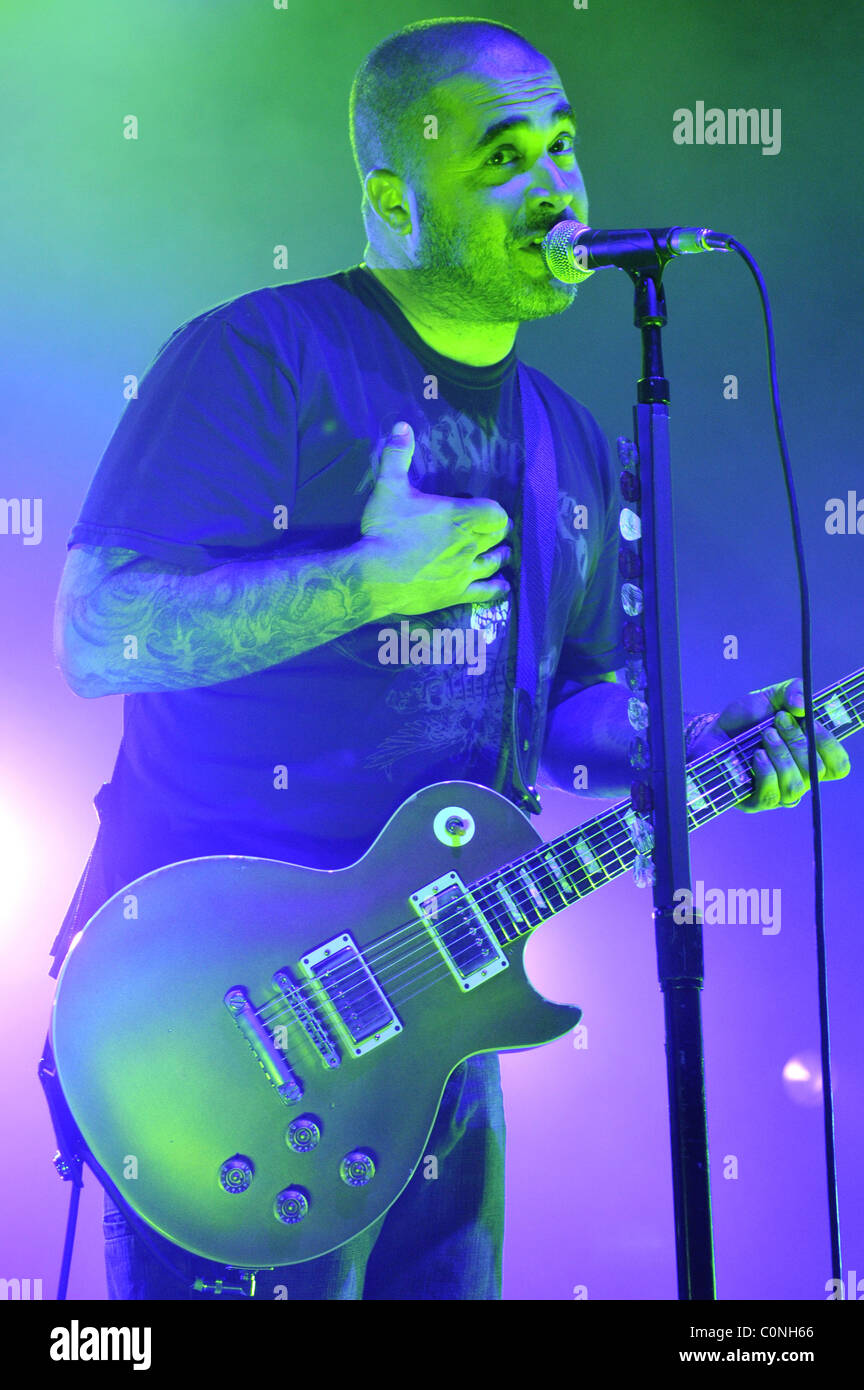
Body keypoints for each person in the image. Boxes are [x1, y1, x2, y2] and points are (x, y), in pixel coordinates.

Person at [51, 17, 849, 1301]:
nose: (560, 186)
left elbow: (573, 706)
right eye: (505, 158)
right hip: (220, 1019)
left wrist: (701, 746)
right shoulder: (261, 357)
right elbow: (99, 633)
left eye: (565, 146)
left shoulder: (569, 440)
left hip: (437, 1030)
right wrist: (365, 581)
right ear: (392, 197)